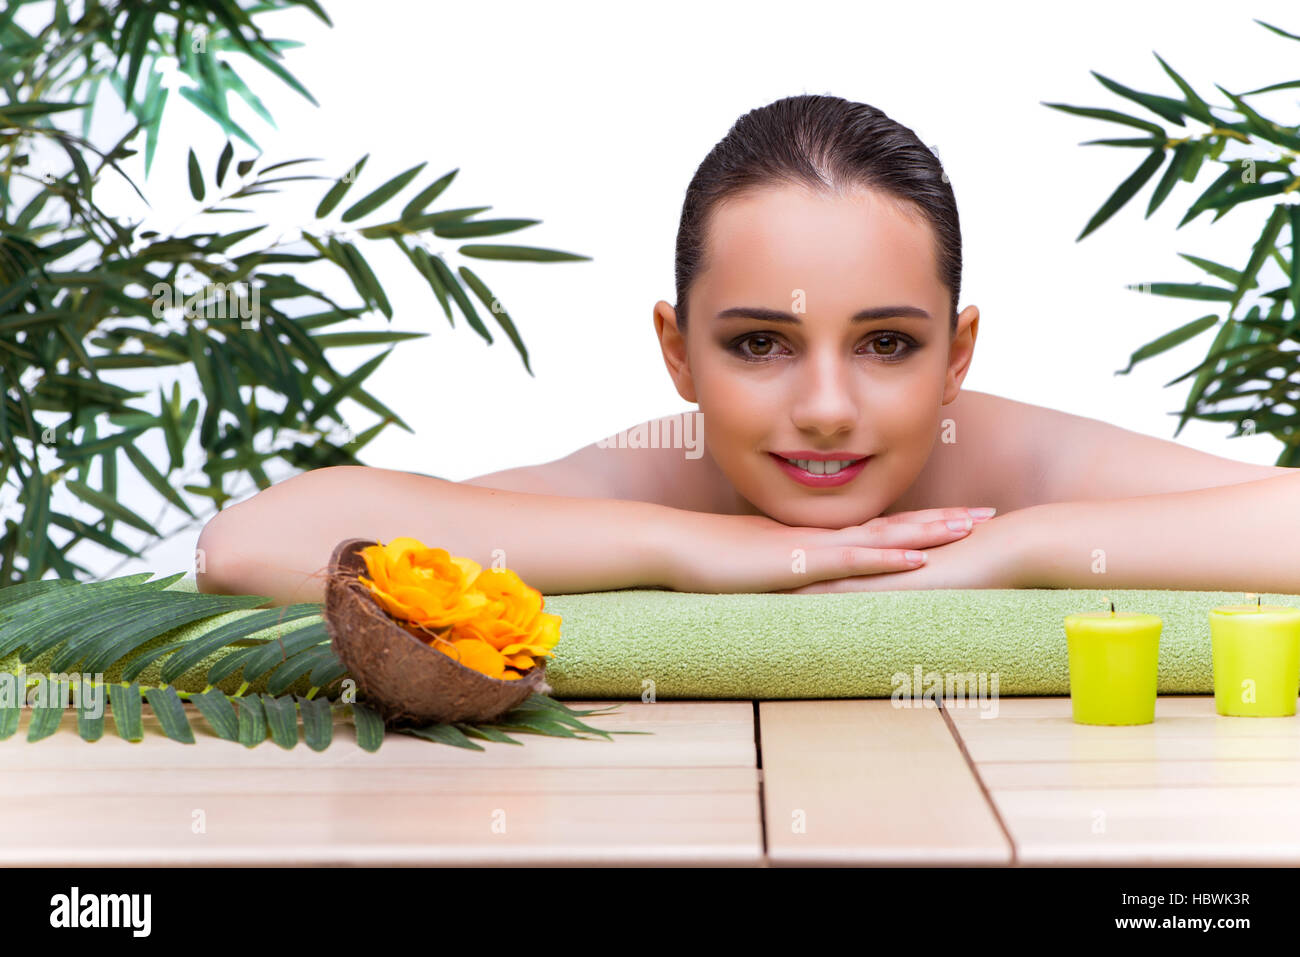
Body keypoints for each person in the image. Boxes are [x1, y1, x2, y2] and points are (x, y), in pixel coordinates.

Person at [197, 94, 1295, 605]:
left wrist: (1022, 548)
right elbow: (250, 548)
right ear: (678, 354)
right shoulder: (654, 470)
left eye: (885, 344)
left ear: (957, 356)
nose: (824, 407)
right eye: (761, 342)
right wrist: (686, 546)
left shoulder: (1007, 465)